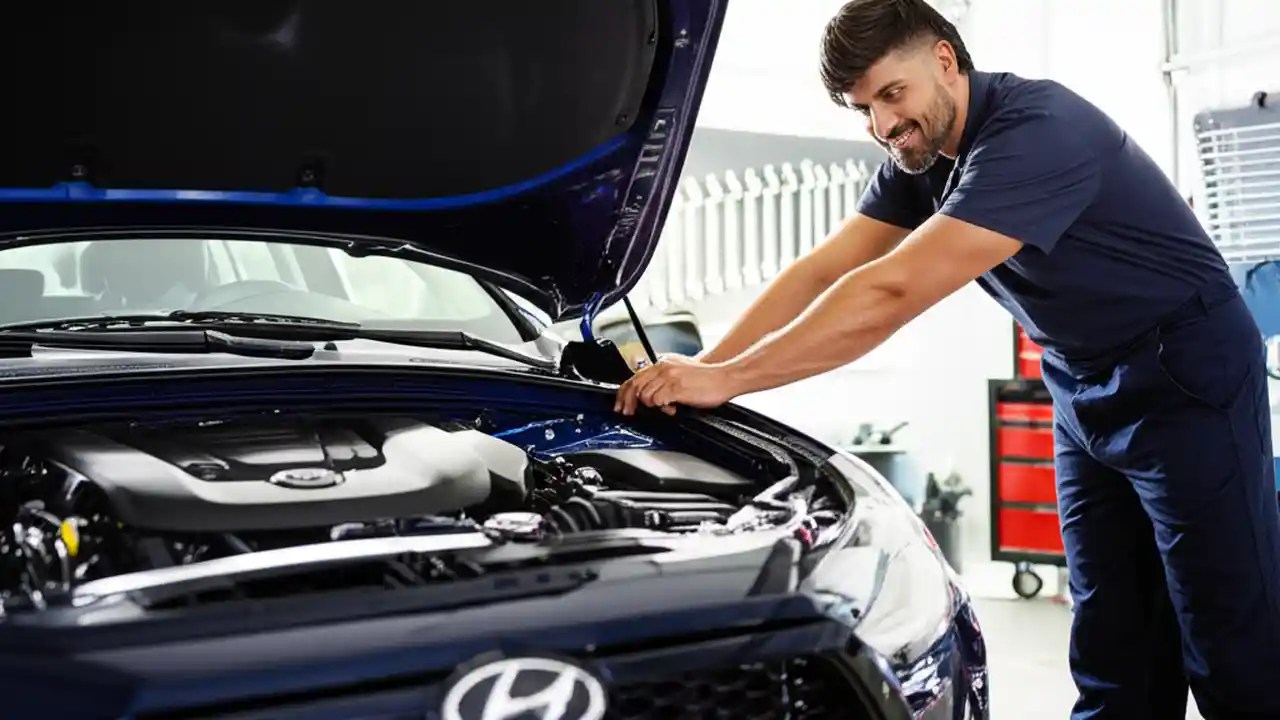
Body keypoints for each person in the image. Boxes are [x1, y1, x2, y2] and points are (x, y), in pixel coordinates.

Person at [613, 0, 1280, 717]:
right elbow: (826, 270)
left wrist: (730, 381)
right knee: (1114, 639)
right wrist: (707, 364)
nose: (881, 126)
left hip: (1185, 375)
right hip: (1083, 384)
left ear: (943, 59)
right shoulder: (923, 156)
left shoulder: (1039, 130)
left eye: (891, 95)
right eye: (862, 108)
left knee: (1230, 638)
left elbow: (891, 289)